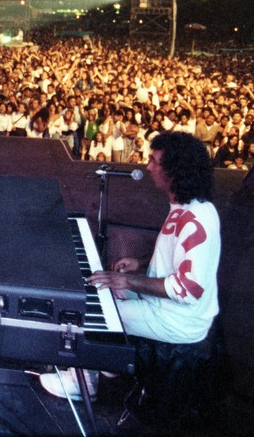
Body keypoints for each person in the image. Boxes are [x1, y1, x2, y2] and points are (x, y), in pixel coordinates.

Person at [42, 132, 220, 401]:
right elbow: (179, 256)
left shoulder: (195, 221)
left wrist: (128, 281)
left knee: (91, 316)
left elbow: (188, 289)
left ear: (175, 171)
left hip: (179, 320)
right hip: (165, 305)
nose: (148, 167)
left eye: (155, 162)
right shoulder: (188, 205)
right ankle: (106, 364)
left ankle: (84, 383)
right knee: (102, 290)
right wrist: (141, 263)